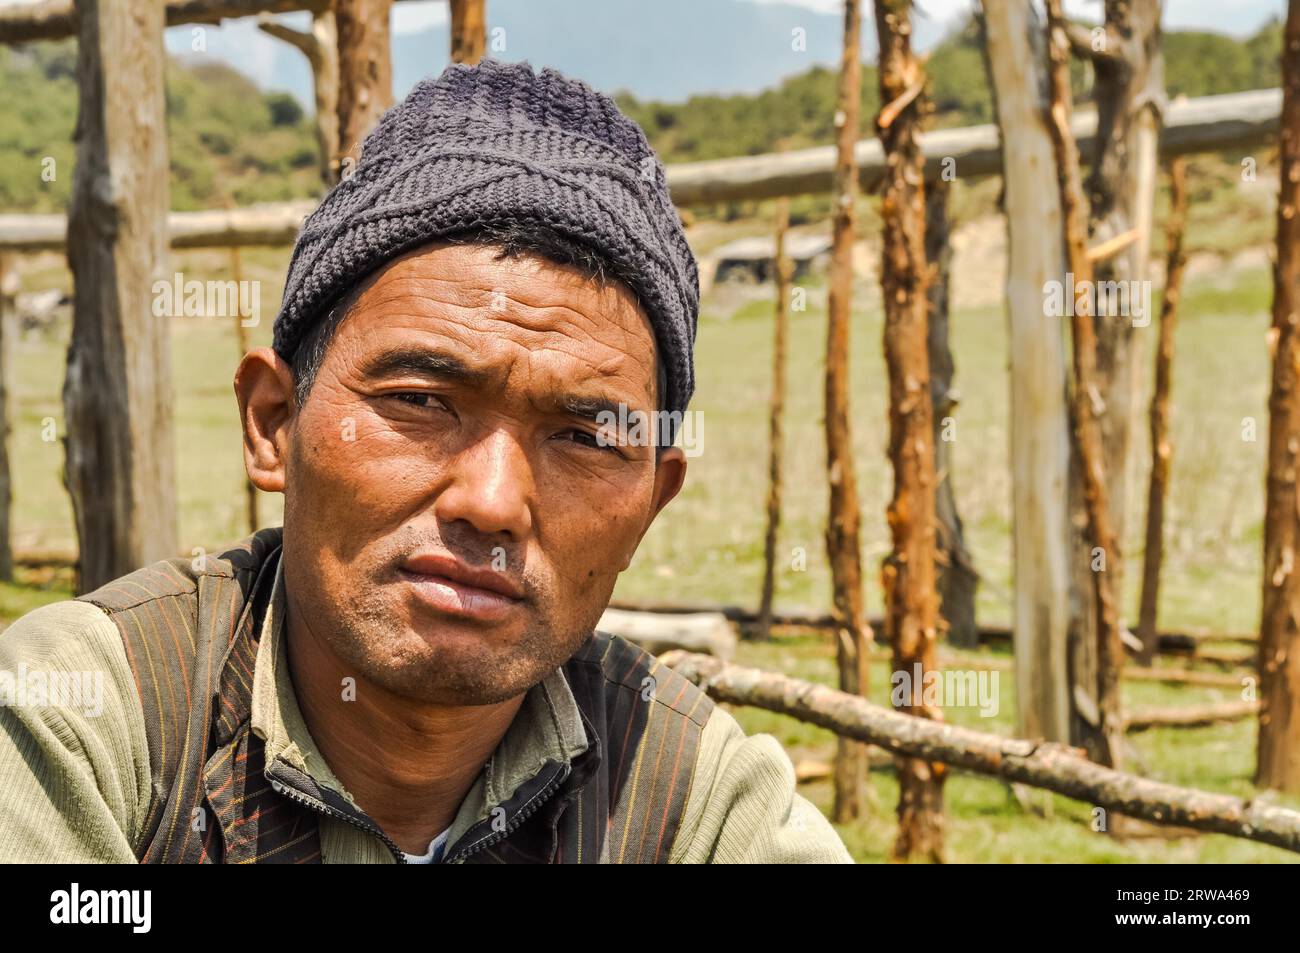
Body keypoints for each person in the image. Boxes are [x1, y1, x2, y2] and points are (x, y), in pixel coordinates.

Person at [0, 59, 852, 864]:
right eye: (419, 401)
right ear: (273, 422)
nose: (493, 502)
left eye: (586, 436)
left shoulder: (692, 798)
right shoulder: (87, 724)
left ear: (651, 503)